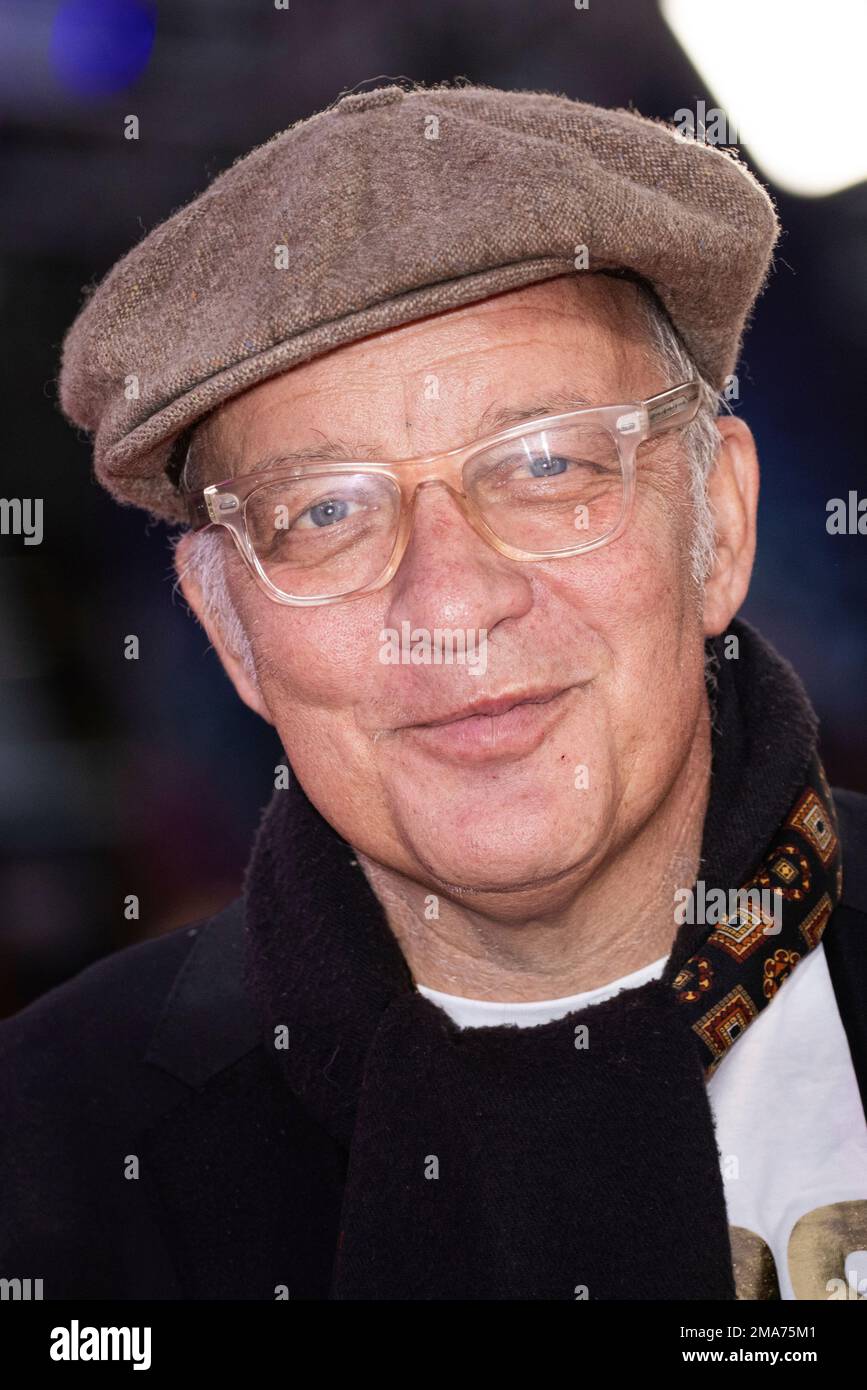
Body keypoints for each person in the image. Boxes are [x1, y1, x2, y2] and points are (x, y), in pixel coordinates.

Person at [2, 82, 866, 1302]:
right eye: (328, 513)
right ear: (232, 637)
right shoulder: (45, 1163)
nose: (452, 604)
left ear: (718, 525)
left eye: (549, 464)